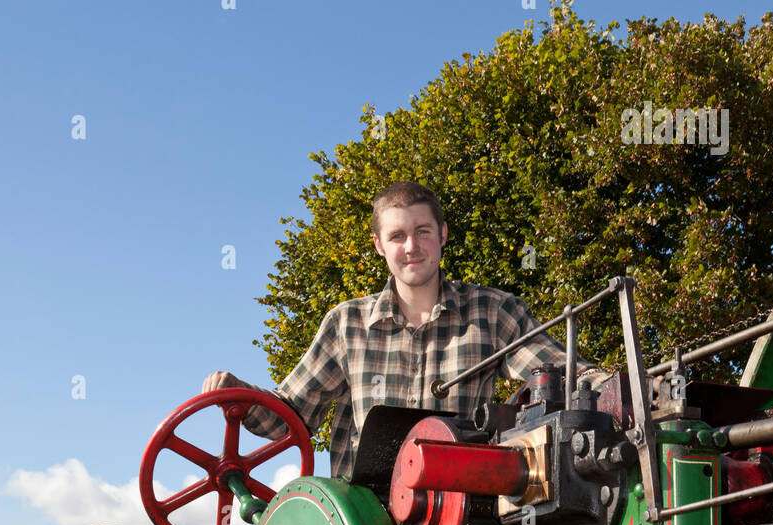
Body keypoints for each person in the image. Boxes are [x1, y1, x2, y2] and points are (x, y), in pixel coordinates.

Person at [201, 180, 610, 478]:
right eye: (397, 236)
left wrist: (612, 385)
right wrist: (239, 395)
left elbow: (559, 370)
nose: (411, 246)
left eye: (422, 232)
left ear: (442, 235)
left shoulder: (494, 313)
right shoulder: (347, 325)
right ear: (379, 244)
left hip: (463, 517)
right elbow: (290, 416)